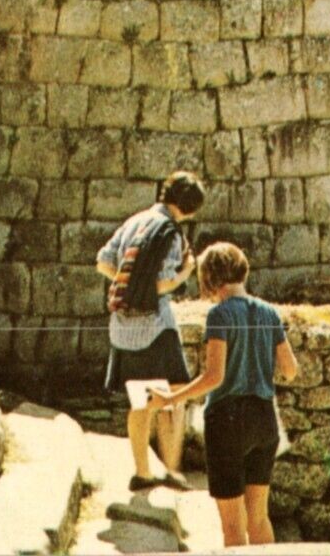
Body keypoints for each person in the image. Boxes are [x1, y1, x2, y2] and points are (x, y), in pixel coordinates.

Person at [149, 242, 298, 547]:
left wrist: (171, 399)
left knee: (233, 527)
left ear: (211, 278)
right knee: (259, 518)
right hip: (264, 419)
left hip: (227, 422)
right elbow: (291, 370)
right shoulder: (270, 312)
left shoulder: (219, 315)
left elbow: (214, 377)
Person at [96, 171, 205, 491]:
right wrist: (186, 271)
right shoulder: (172, 234)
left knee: (140, 401)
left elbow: (103, 262)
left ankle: (143, 472)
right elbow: (161, 284)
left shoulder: (135, 221)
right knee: (175, 394)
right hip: (156, 327)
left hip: (122, 329)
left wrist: (129, 285)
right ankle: (172, 471)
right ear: (190, 208)